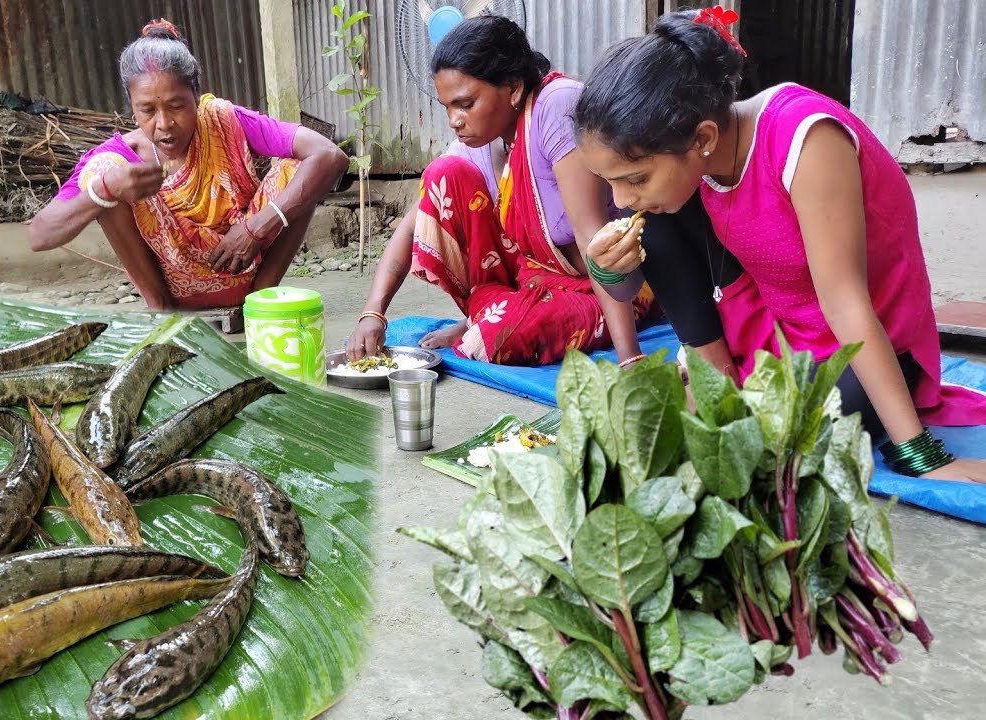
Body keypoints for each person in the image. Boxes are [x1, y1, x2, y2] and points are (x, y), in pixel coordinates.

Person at [573, 7, 986, 482]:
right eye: (610, 182)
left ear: (703, 137)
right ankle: (715, 376)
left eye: (634, 179)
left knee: (771, 444)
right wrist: (607, 269)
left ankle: (737, 395)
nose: (621, 199)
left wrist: (921, 456)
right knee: (656, 222)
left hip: (863, 345)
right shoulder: (693, 160)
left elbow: (847, 304)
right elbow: (630, 286)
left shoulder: (805, 141)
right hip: (779, 330)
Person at [346, 16, 655, 367]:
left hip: (607, 288)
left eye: (465, 104)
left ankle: (487, 320)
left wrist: (630, 358)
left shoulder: (555, 107)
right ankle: (483, 317)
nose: (454, 120)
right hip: (532, 284)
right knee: (442, 175)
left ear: (513, 88)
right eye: (447, 107)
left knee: (501, 335)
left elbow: (592, 238)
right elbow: (411, 226)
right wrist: (373, 314)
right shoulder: (479, 141)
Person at [29, 19, 348, 310]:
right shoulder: (120, 156)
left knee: (302, 169)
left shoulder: (224, 121)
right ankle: (161, 310)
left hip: (248, 267)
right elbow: (39, 236)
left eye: (176, 106)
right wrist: (104, 190)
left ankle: (260, 299)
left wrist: (256, 227)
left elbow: (330, 155)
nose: (164, 123)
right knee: (104, 178)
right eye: (147, 110)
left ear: (196, 96)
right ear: (132, 106)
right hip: (175, 293)